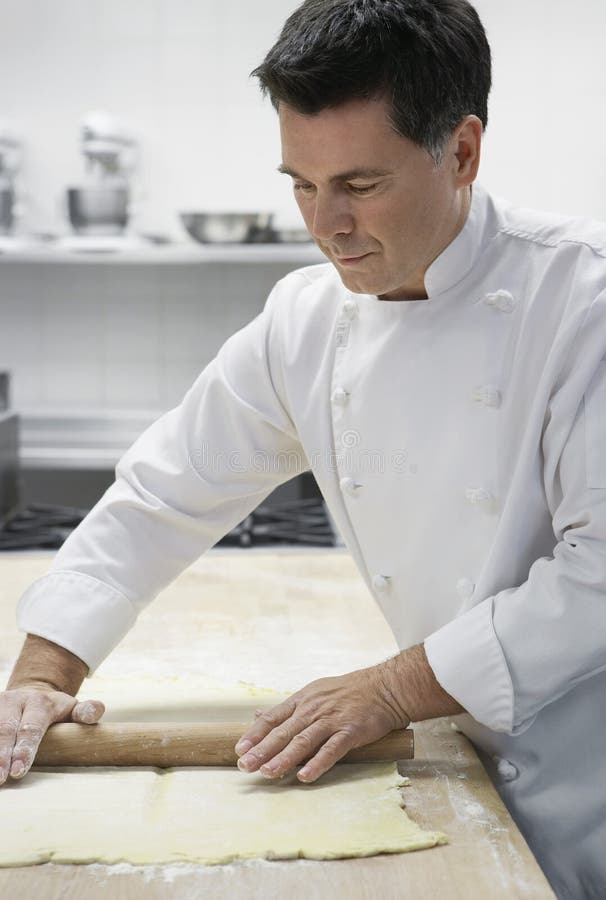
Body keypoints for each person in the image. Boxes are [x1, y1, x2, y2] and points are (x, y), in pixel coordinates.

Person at [2, 1, 605, 896]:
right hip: (454, 752)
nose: (326, 226)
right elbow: (167, 493)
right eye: (301, 183)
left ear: (464, 152)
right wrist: (44, 670)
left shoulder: (581, 302)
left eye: (360, 186)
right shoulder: (306, 319)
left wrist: (393, 691)